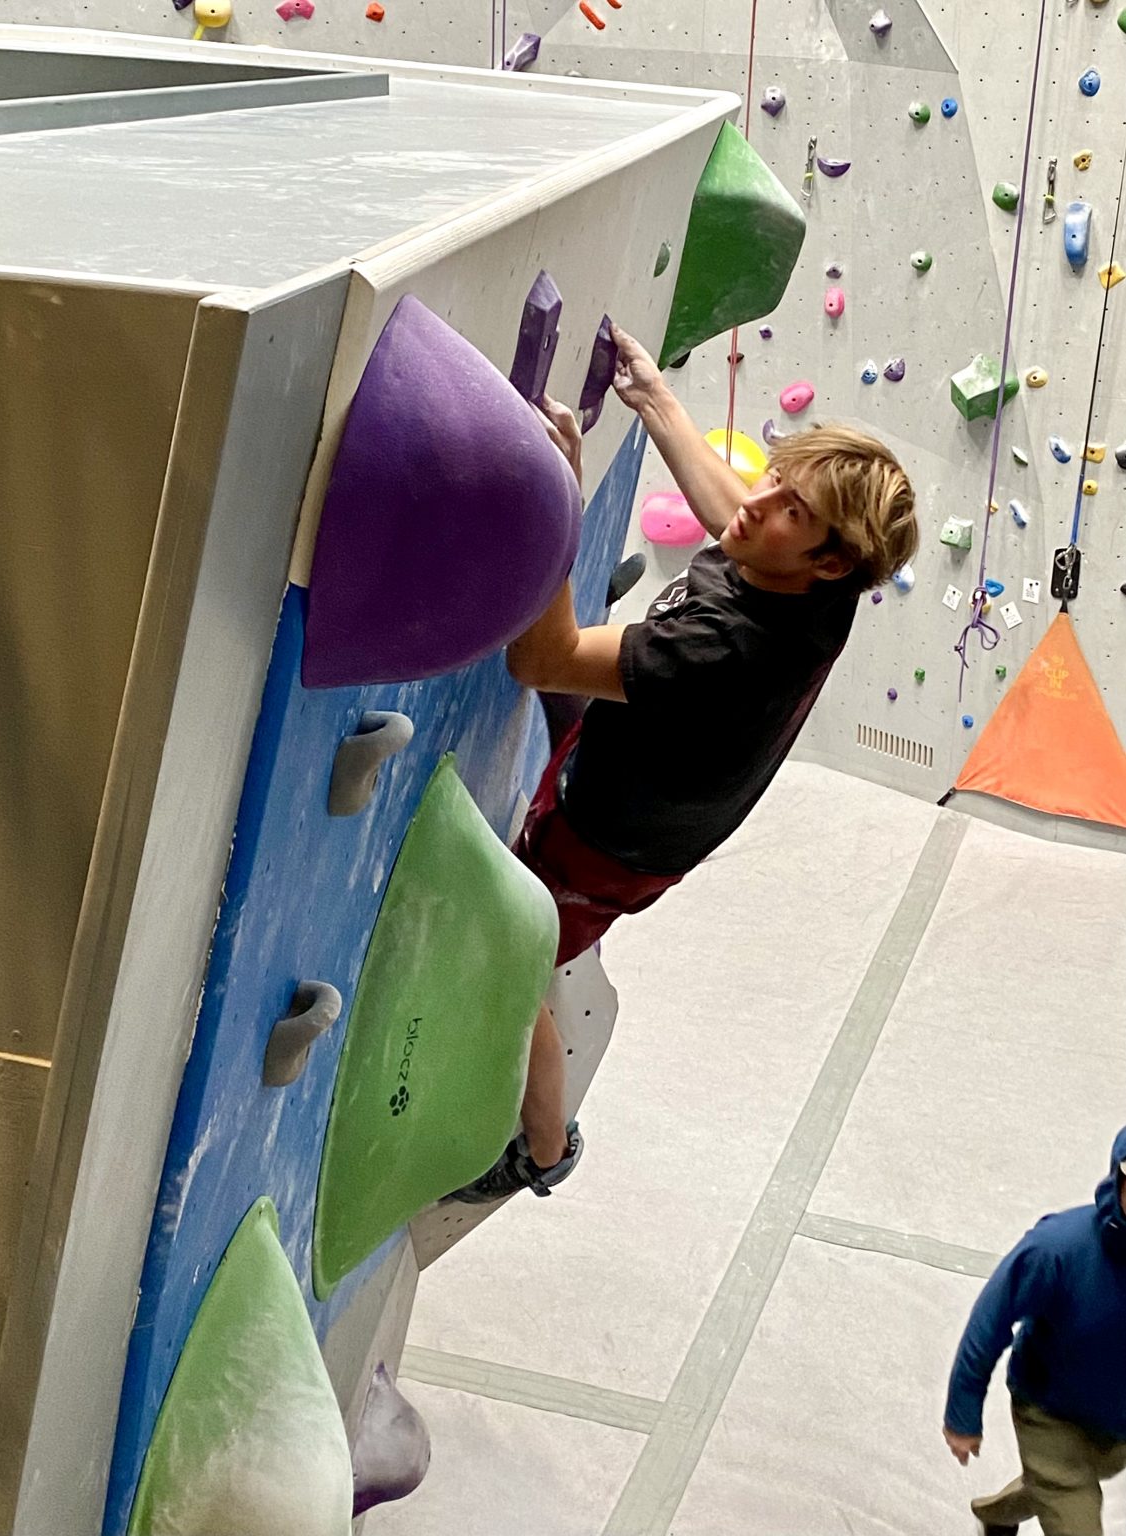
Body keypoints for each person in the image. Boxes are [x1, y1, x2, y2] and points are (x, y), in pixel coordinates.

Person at [454, 323, 918, 1202]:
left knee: (508, 967)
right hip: (654, 794)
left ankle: (544, 1150)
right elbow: (731, 508)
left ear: (826, 559)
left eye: (792, 509)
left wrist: (554, 500)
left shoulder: (718, 648)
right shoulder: (810, 580)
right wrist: (656, 400)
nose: (760, 500)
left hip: (611, 843)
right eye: (781, 480)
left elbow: (536, 660)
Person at [943, 1126, 1126, 1536]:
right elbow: (990, 1320)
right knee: (1067, 1494)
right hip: (1049, 1412)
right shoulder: (1058, 1249)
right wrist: (963, 1411)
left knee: (1059, 1482)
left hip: (1116, 1424)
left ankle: (995, 1516)